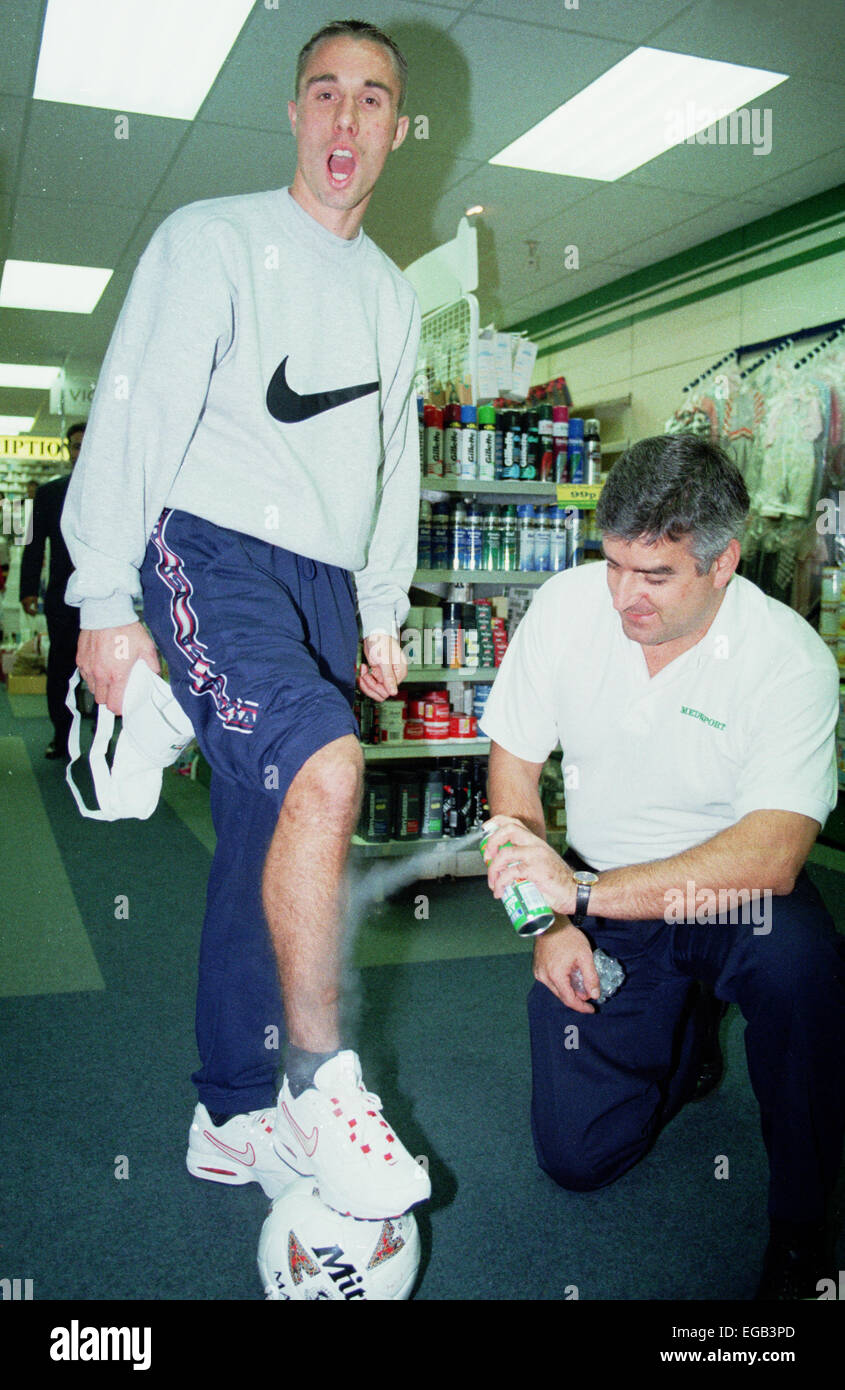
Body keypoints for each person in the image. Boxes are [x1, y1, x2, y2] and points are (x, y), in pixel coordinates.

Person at [61, 19, 430, 1223]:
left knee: (265, 843)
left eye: (372, 99)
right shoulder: (213, 238)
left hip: (324, 583)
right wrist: (104, 598)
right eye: (324, 92)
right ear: (290, 112)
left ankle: (227, 1116)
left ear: (396, 128)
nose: (345, 120)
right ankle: (321, 1081)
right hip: (209, 548)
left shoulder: (390, 299)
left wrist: (379, 610)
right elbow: (134, 405)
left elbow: (393, 465)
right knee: (325, 772)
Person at [480, 433, 844, 1300]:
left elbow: (774, 853)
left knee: (801, 971)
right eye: (612, 566)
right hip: (602, 895)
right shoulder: (567, 609)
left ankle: (801, 1226)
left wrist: (582, 892)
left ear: (723, 563)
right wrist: (546, 921)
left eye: (655, 577)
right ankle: (684, 1043)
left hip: (732, 898)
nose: (622, 597)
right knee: (578, 1160)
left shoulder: (788, 659)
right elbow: (512, 774)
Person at [19, 423, 86, 758]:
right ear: (67, 450)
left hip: (107, 595)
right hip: (62, 597)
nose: (80, 451)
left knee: (103, 666)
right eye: (75, 446)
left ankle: (103, 740)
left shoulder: (116, 490)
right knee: (61, 667)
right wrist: (27, 590)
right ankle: (61, 735)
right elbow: (31, 546)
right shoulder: (47, 493)